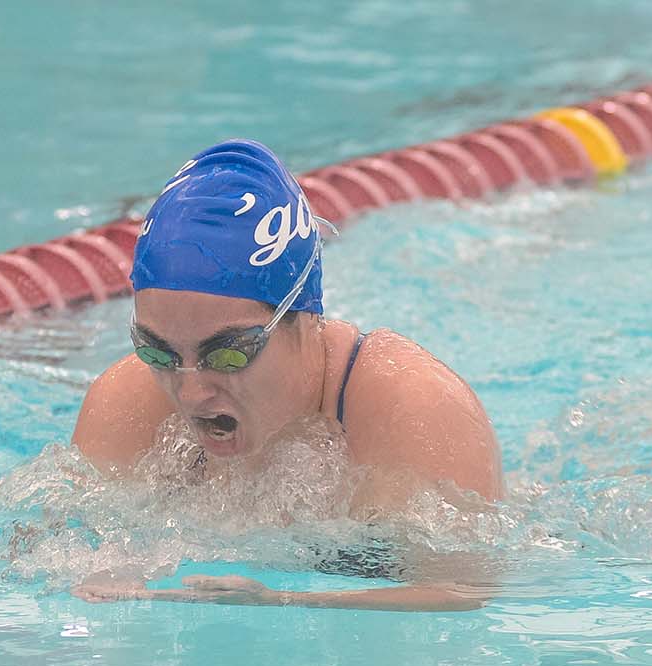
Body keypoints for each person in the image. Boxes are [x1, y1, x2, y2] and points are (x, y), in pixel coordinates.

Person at [69, 139, 503, 611]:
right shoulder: (126, 404)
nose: (191, 391)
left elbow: (463, 592)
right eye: (157, 353)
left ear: (304, 318)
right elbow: (43, 548)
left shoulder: (413, 407)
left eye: (229, 355)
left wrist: (286, 602)